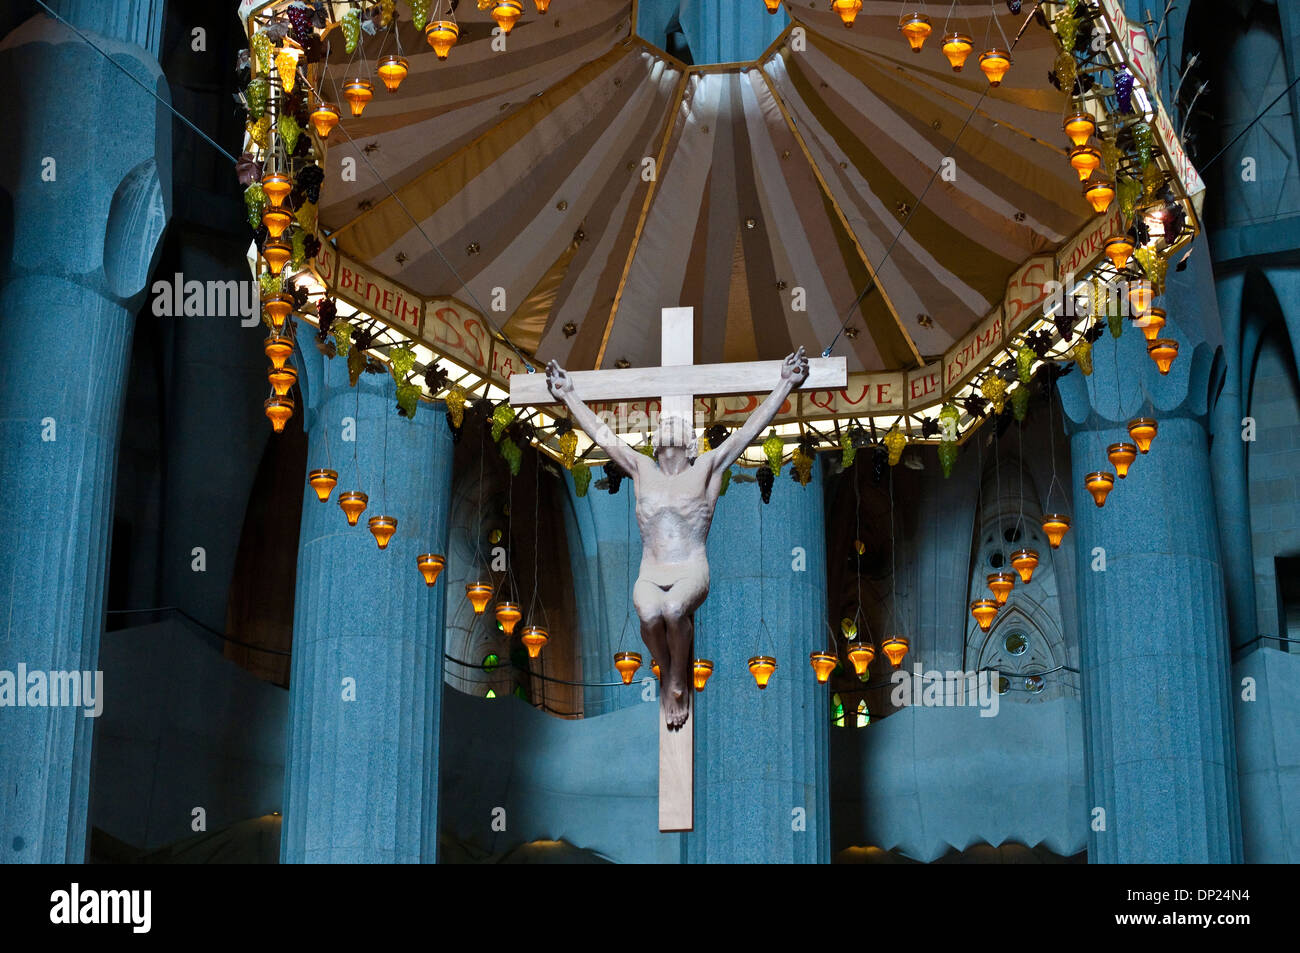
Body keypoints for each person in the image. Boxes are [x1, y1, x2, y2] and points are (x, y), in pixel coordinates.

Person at [546, 347, 810, 728]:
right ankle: (671, 670)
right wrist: (569, 394)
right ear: (654, 441)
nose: (670, 424)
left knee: (673, 610)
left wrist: (785, 383)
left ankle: (675, 679)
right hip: (651, 571)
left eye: (678, 426)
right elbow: (603, 435)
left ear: (691, 442)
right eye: (663, 425)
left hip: (690, 569)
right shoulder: (640, 467)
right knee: (650, 612)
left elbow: (748, 432)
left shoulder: (706, 466)